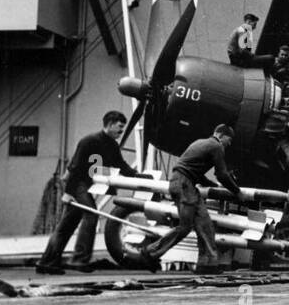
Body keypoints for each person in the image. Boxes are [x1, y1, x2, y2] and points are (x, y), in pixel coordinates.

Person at [36, 111, 144, 274]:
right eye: (120, 127)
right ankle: (79, 259)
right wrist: (68, 192)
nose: (121, 132)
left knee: (67, 224)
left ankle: (48, 261)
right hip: (78, 184)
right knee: (90, 216)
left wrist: (139, 176)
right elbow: (74, 168)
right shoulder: (88, 141)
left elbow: (121, 166)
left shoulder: (112, 145)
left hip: (86, 185)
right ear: (110, 124)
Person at [135, 124, 243, 273]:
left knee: (205, 224)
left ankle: (207, 264)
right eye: (228, 140)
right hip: (184, 185)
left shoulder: (199, 142)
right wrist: (237, 191)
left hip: (184, 183)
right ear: (220, 135)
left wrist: (213, 185)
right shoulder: (216, 146)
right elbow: (222, 174)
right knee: (185, 227)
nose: (228, 144)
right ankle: (149, 253)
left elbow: (195, 172)